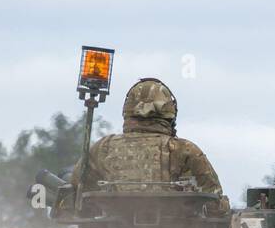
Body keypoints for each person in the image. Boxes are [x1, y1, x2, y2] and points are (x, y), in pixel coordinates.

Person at [70, 78, 228, 212]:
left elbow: (77, 191)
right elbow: (216, 205)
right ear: (169, 113)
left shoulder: (103, 148)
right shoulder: (185, 150)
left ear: (127, 111)